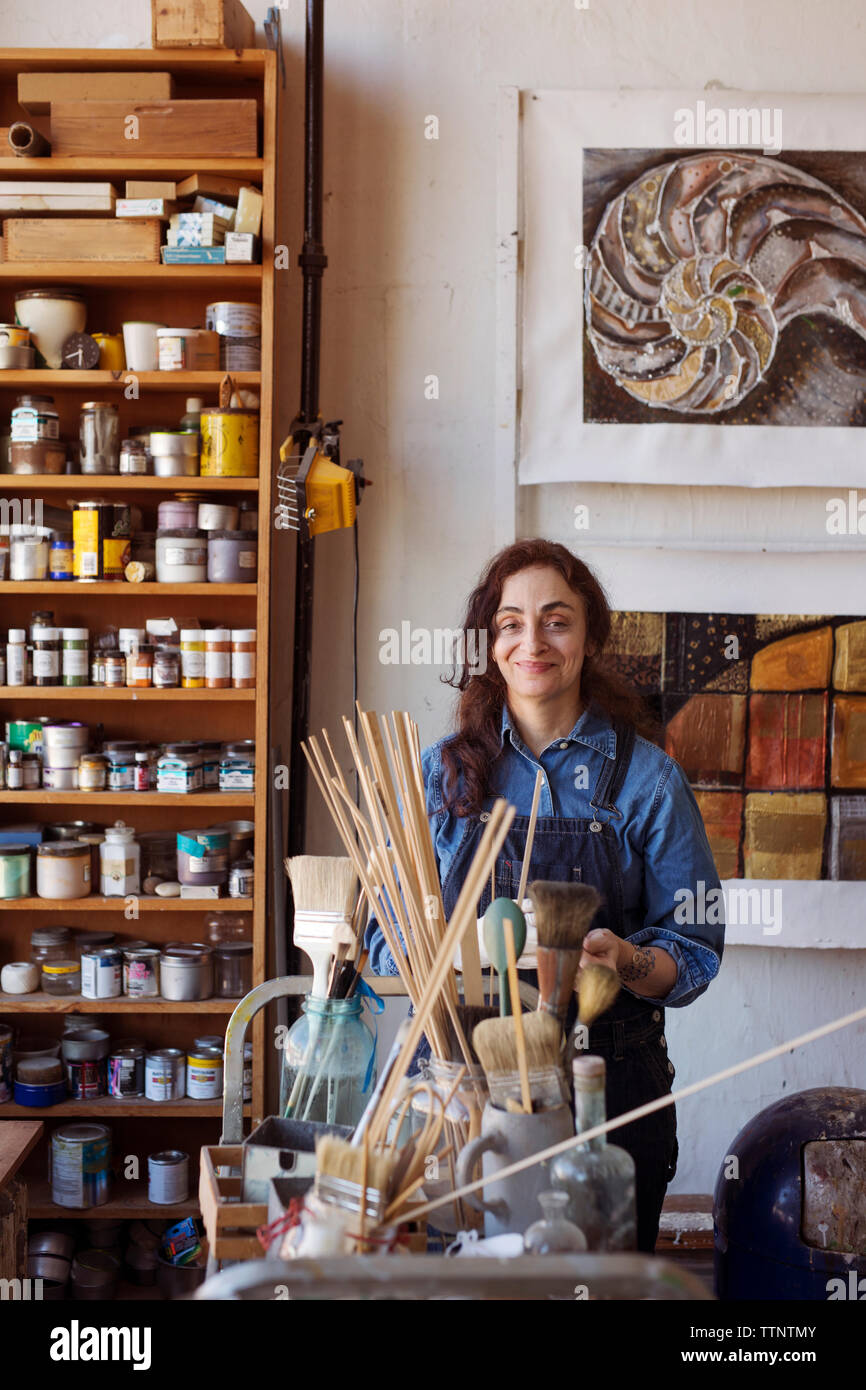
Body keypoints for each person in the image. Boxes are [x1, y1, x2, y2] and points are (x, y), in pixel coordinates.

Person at [367, 538, 724, 1251]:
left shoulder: (649, 782)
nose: (533, 641)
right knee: (464, 1288)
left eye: (557, 621)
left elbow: (694, 952)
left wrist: (623, 959)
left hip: (606, 1090)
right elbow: (381, 942)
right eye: (511, 623)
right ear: (490, 643)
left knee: (597, 1288)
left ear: (589, 639)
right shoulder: (441, 778)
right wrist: (454, 951)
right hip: (461, 1089)